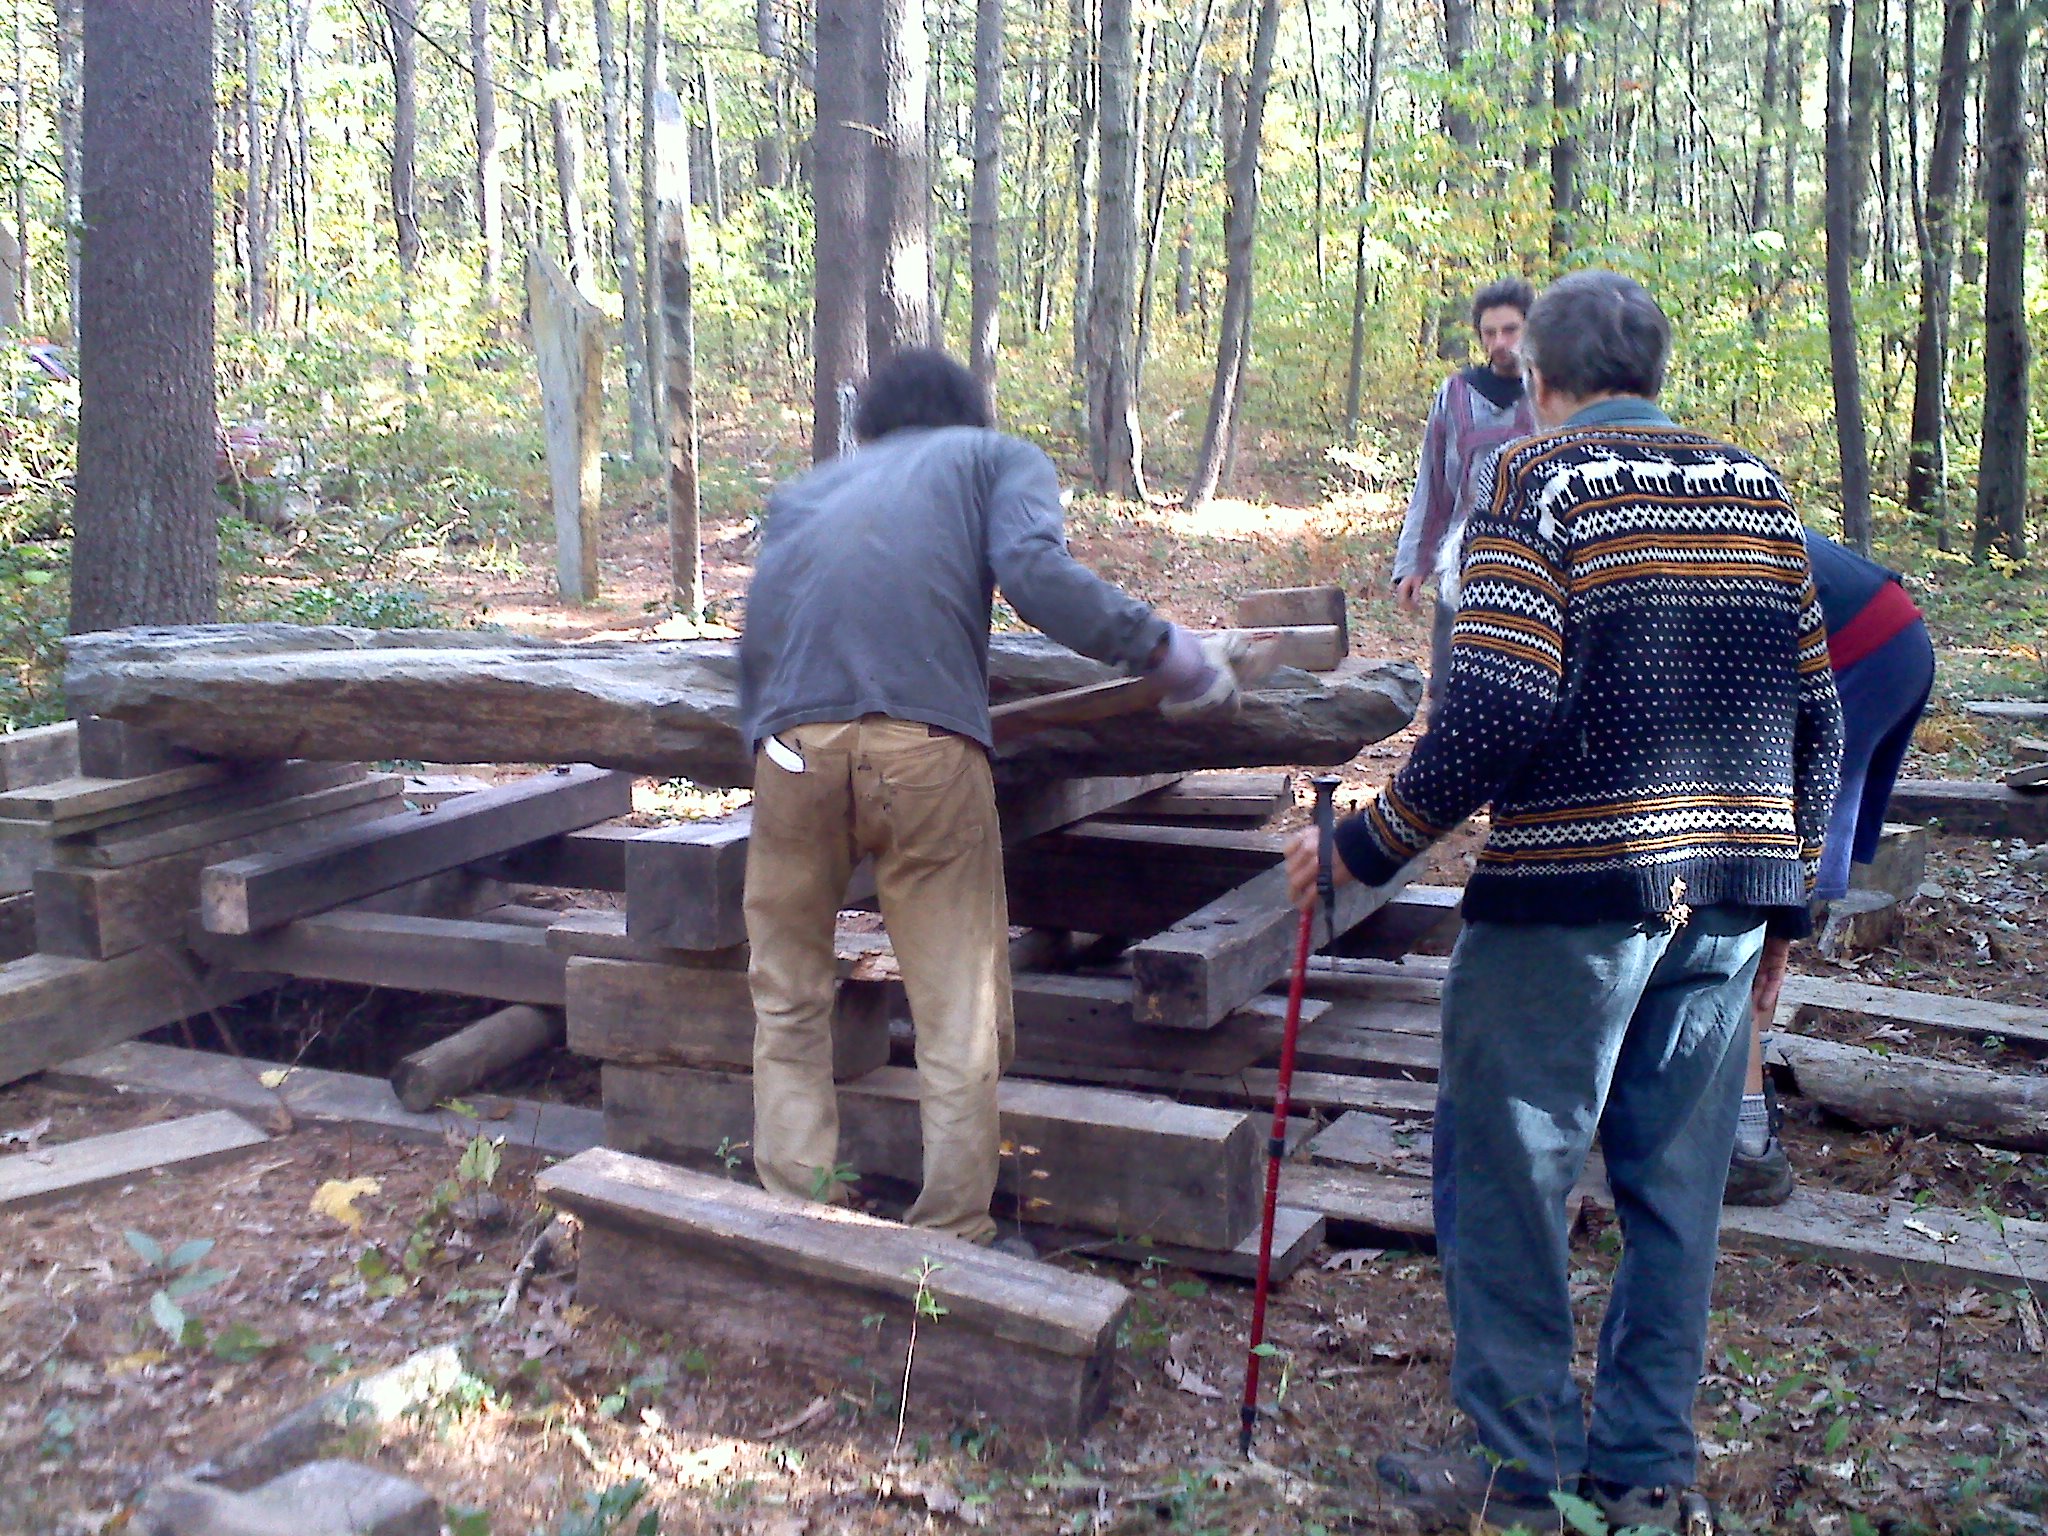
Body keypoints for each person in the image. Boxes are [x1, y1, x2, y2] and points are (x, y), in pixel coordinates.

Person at [1285, 271, 1843, 1533]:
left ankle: (1518, 1469)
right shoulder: (1755, 491)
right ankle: (1644, 1468)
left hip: (1572, 901)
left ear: (1534, 380)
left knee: (1507, 1172)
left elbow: (1493, 703)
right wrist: (1790, 908)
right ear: (1651, 370)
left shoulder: (1531, 486)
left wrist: (1372, 846)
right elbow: (1822, 710)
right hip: (1729, 897)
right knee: (1671, 1188)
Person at [738, 348, 1235, 1249]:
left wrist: (773, 746)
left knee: (787, 996)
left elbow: (757, 640)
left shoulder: (805, 492)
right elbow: (1036, 576)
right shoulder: (993, 458)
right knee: (956, 1011)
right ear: (969, 412)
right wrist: (1165, 649)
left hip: (789, 750)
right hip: (927, 755)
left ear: (870, 423)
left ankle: (793, 1218)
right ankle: (951, 1238)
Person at [1726, 531, 1936, 1205]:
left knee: (1743, 886)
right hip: (1889, 640)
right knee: (1764, 877)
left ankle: (1743, 1138)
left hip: (1860, 655)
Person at [1392, 278, 1538, 710]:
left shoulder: (1556, 395)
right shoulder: (1456, 394)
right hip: (1464, 567)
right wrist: (1414, 564)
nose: (1500, 342)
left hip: (1535, 570)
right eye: (1490, 332)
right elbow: (1433, 484)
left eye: (1511, 330)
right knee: (1452, 698)